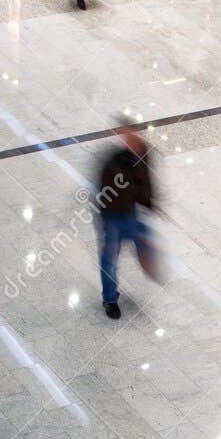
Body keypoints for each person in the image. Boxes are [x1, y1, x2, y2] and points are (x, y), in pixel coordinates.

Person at [94, 118, 160, 319]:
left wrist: (150, 202)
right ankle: (110, 300)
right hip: (112, 216)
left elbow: (147, 180)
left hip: (129, 213)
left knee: (146, 239)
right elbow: (110, 193)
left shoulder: (144, 153)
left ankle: (146, 259)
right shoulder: (114, 161)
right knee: (109, 260)